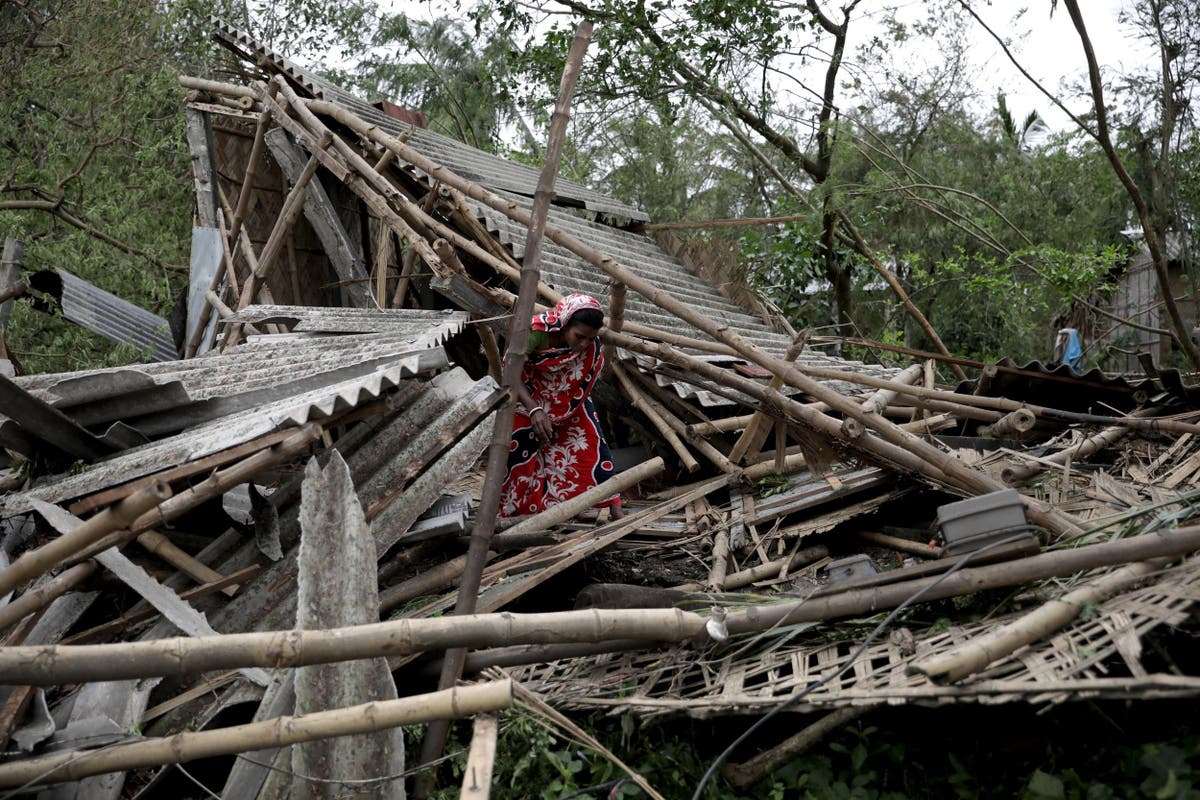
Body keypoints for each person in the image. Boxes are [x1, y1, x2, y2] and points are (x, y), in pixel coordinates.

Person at [499, 293, 626, 520]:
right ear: (565, 323)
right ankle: (522, 514)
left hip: (568, 402)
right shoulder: (535, 332)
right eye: (579, 336)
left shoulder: (590, 344)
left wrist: (558, 407)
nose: (584, 344)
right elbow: (510, 372)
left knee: (591, 446)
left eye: (590, 339)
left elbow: (580, 378)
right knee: (519, 445)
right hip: (527, 396)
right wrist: (534, 409)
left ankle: (612, 507)